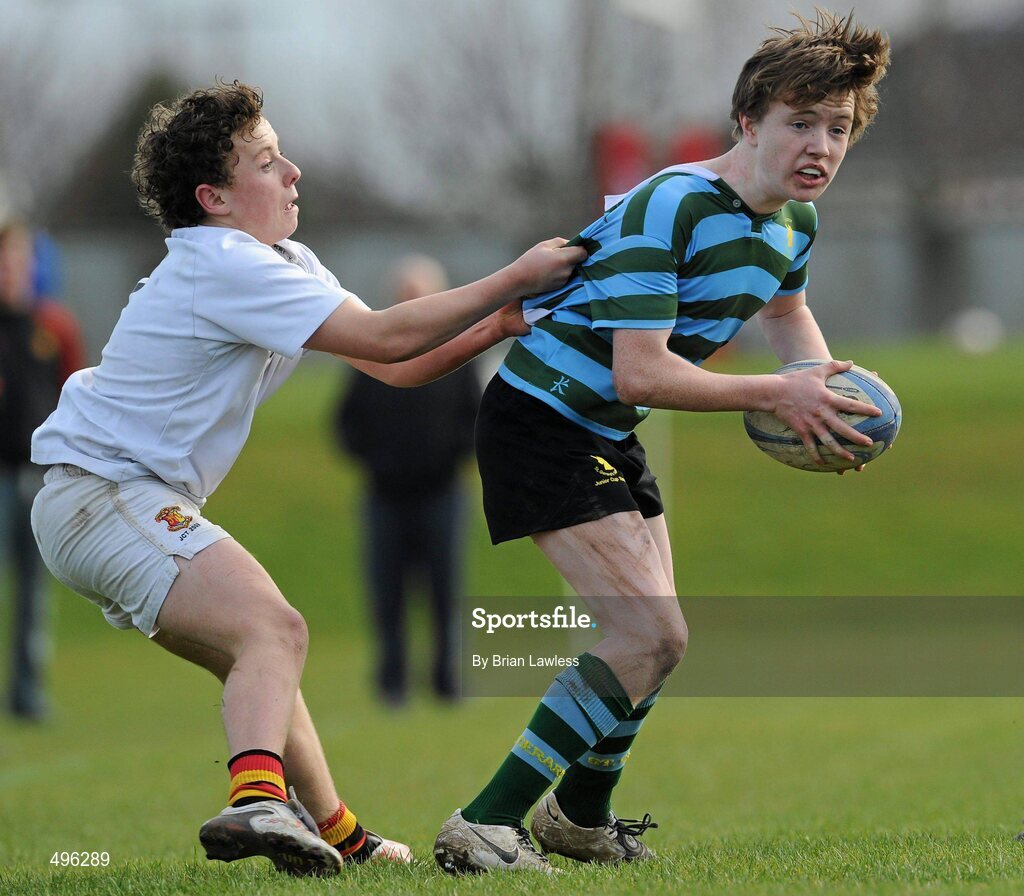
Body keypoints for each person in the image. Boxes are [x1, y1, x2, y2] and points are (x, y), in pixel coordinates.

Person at [29, 81, 585, 877]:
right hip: (106, 493)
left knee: (260, 657)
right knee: (277, 630)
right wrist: (512, 277)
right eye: (265, 161)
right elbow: (387, 335)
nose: (292, 172)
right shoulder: (218, 260)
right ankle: (258, 799)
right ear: (213, 197)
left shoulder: (279, 260)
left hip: (111, 502)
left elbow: (393, 364)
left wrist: (497, 327)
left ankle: (341, 837)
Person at [433, 9, 891, 874]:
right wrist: (776, 393)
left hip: (603, 430)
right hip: (542, 421)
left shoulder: (796, 224)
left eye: (838, 129)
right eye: (801, 123)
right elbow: (641, 373)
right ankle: (485, 825)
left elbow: (787, 313)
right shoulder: (672, 203)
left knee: (658, 643)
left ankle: (578, 818)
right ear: (748, 123)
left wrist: (826, 395)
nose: (820, 147)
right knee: (651, 636)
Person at [336, 255, 481, 706]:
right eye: (406, 296)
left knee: (444, 592)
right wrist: (376, 460)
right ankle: (392, 682)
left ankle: (446, 680)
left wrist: (448, 458)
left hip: (442, 493)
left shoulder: (457, 356)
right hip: (385, 496)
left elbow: (476, 421)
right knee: (388, 592)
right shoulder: (371, 359)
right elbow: (346, 423)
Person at [0, 220, 75, 720]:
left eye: (19, 260)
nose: (12, 271)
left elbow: (76, 396)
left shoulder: (56, 328)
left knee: (34, 594)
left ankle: (28, 693)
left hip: (39, 478)